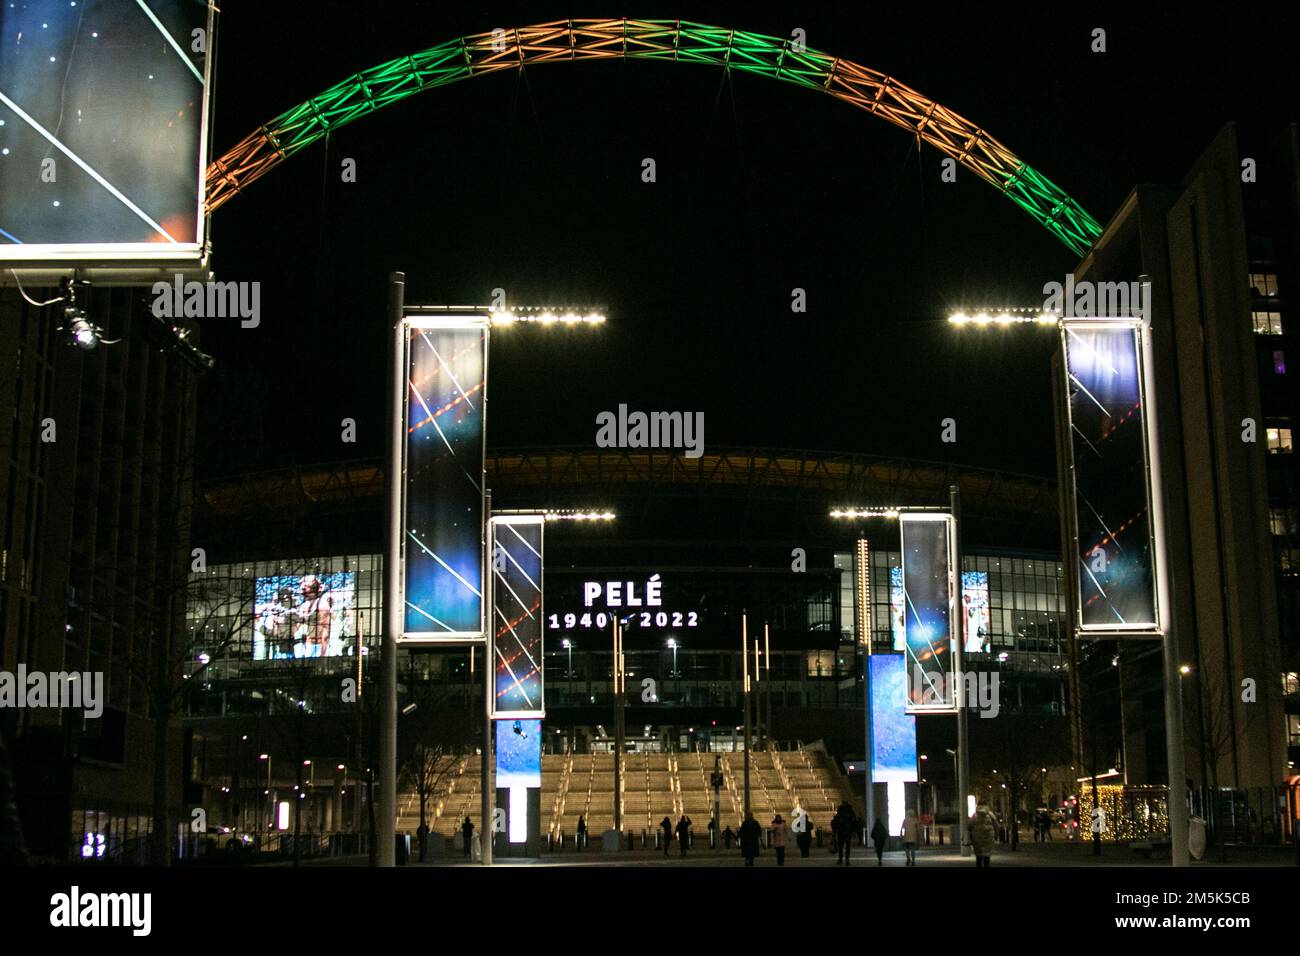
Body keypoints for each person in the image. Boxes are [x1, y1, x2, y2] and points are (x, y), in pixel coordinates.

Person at [832, 801, 857, 865]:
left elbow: (835, 822)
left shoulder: (840, 812)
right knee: (847, 846)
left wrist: (835, 830)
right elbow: (854, 822)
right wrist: (853, 830)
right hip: (848, 831)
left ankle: (840, 859)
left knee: (840, 846)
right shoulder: (851, 812)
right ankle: (847, 860)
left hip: (841, 831)